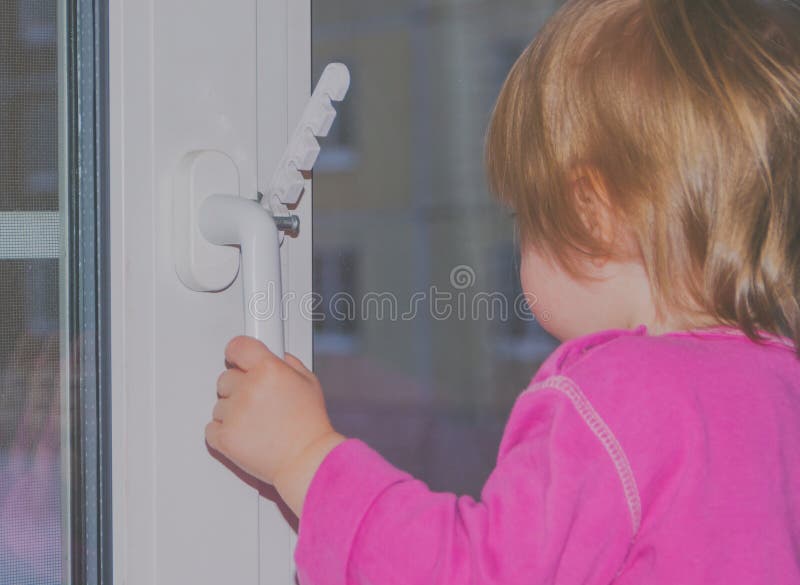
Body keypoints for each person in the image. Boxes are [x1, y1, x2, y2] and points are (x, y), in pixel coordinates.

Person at [205, 0, 800, 583]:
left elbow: (476, 571)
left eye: (523, 217)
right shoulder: (780, 390)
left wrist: (303, 456)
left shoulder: (619, 400)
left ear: (590, 215)